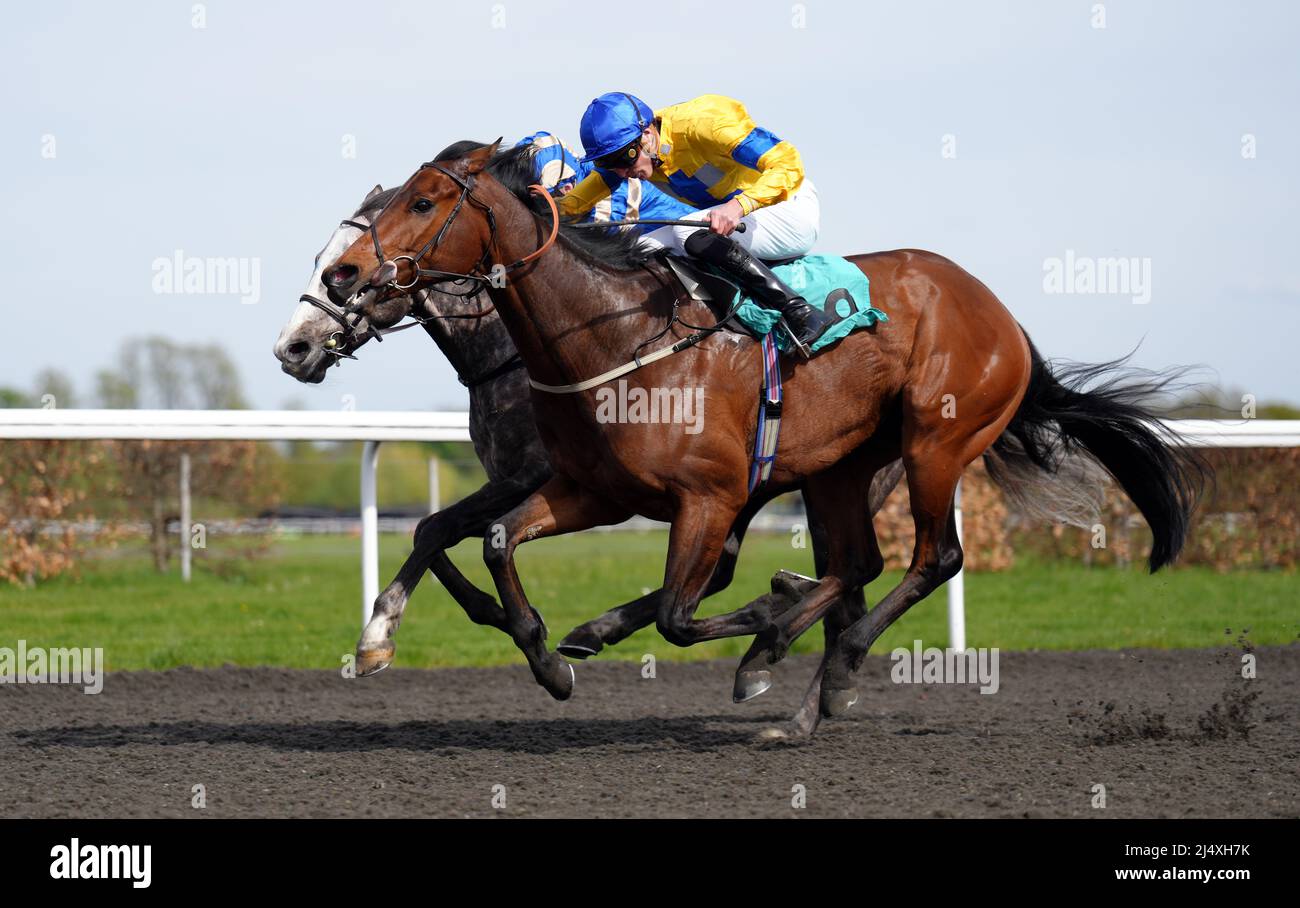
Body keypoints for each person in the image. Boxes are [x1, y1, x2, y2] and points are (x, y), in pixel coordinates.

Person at [559, 93, 833, 357]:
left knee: (685, 228)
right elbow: (577, 203)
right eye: (607, 162)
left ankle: (799, 311)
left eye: (623, 158)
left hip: (789, 209)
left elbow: (788, 163)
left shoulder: (704, 122)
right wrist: (541, 207)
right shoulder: (633, 155)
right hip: (741, 221)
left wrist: (738, 206)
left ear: (646, 135)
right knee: (636, 250)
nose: (621, 171)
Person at [516, 131, 696, 233]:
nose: (565, 190)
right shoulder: (552, 160)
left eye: (563, 187)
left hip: (693, 227)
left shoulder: (609, 195)